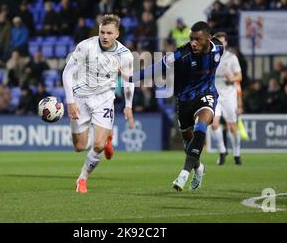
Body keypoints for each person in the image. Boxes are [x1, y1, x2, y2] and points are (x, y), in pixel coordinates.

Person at [126, 21, 223, 191]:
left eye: (198, 39)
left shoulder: (218, 48)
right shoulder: (181, 54)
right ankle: (199, 168)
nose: (193, 43)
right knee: (189, 143)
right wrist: (130, 78)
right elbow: (156, 68)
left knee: (202, 127)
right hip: (184, 100)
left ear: (209, 38)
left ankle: (183, 174)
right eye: (191, 39)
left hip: (206, 94)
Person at [62, 14, 135, 193]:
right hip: (81, 98)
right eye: (102, 32)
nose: (105, 36)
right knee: (79, 147)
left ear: (117, 34)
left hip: (104, 99)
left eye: (109, 33)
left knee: (99, 145)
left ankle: (82, 178)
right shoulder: (85, 46)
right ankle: (106, 137)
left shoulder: (125, 55)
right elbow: (67, 73)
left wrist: (128, 105)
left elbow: (128, 81)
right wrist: (70, 101)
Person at [209, 32, 242, 165]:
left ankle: (237, 154)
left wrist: (231, 78)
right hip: (214, 95)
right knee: (214, 124)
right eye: (217, 42)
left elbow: (239, 77)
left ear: (226, 43)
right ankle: (222, 151)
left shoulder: (231, 58)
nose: (220, 44)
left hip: (229, 95)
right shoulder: (209, 57)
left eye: (222, 42)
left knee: (232, 127)